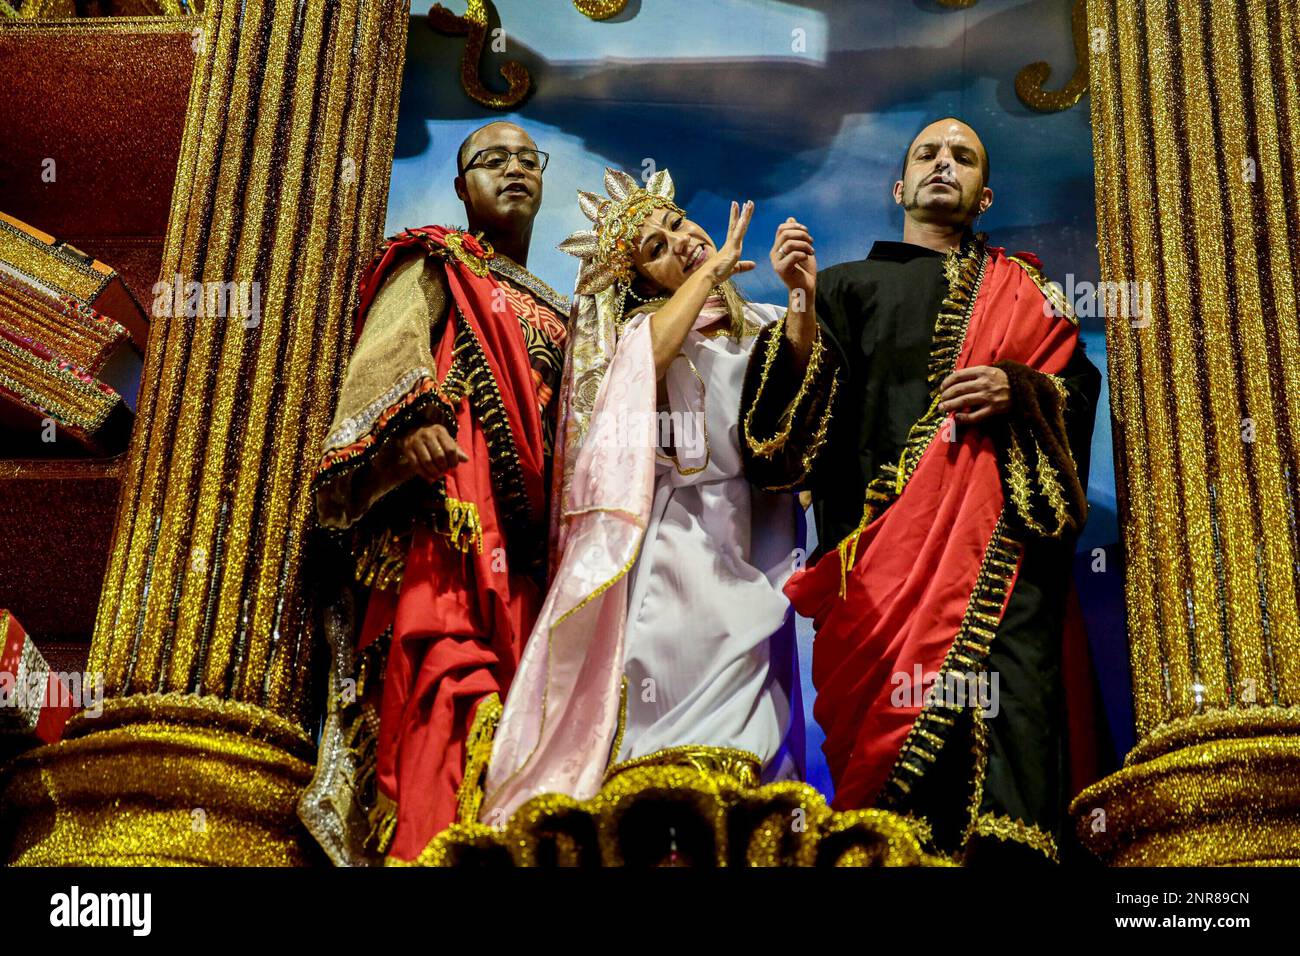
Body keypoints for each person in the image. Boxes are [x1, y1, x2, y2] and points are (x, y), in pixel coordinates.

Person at [740, 117, 1101, 864]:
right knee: (893, 802)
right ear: (899, 186)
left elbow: (1076, 393)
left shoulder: (1027, 296)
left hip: (1003, 572)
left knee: (1011, 758)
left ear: (985, 194)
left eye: (963, 157)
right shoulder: (845, 286)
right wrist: (801, 303)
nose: (944, 164)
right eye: (927, 155)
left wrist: (1020, 389)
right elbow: (779, 447)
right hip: (880, 578)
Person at [479, 168, 805, 826]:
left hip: (758, 541)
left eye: (678, 223)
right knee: (679, 724)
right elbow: (649, 358)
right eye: (656, 248)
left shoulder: (762, 324)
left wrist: (802, 293)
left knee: (756, 736)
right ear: (643, 283)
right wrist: (710, 274)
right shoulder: (644, 334)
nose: (680, 240)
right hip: (681, 549)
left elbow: (799, 390)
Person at [301, 121, 569, 864]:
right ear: (461, 186)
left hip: (533, 551)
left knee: (527, 716)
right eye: (493, 159)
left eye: (528, 159)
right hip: (447, 521)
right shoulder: (438, 260)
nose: (514, 169)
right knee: (447, 680)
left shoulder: (566, 311)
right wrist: (413, 425)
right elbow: (393, 345)